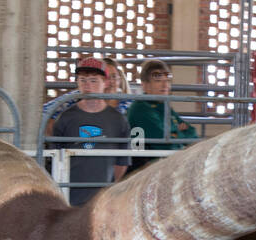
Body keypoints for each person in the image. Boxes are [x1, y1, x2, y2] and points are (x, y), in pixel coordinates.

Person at [50, 57, 130, 205]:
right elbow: (56, 160)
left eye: (93, 80)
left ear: (105, 83)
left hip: (102, 199)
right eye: (83, 80)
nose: (87, 86)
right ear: (77, 82)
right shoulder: (65, 118)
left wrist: (108, 188)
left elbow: (121, 163)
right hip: (70, 196)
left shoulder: (118, 120)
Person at [125, 60, 198, 175]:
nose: (165, 86)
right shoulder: (140, 108)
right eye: (158, 81)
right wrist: (179, 131)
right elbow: (165, 143)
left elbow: (193, 134)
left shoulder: (163, 104)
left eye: (167, 81)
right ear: (145, 85)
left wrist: (175, 134)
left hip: (159, 165)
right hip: (142, 171)